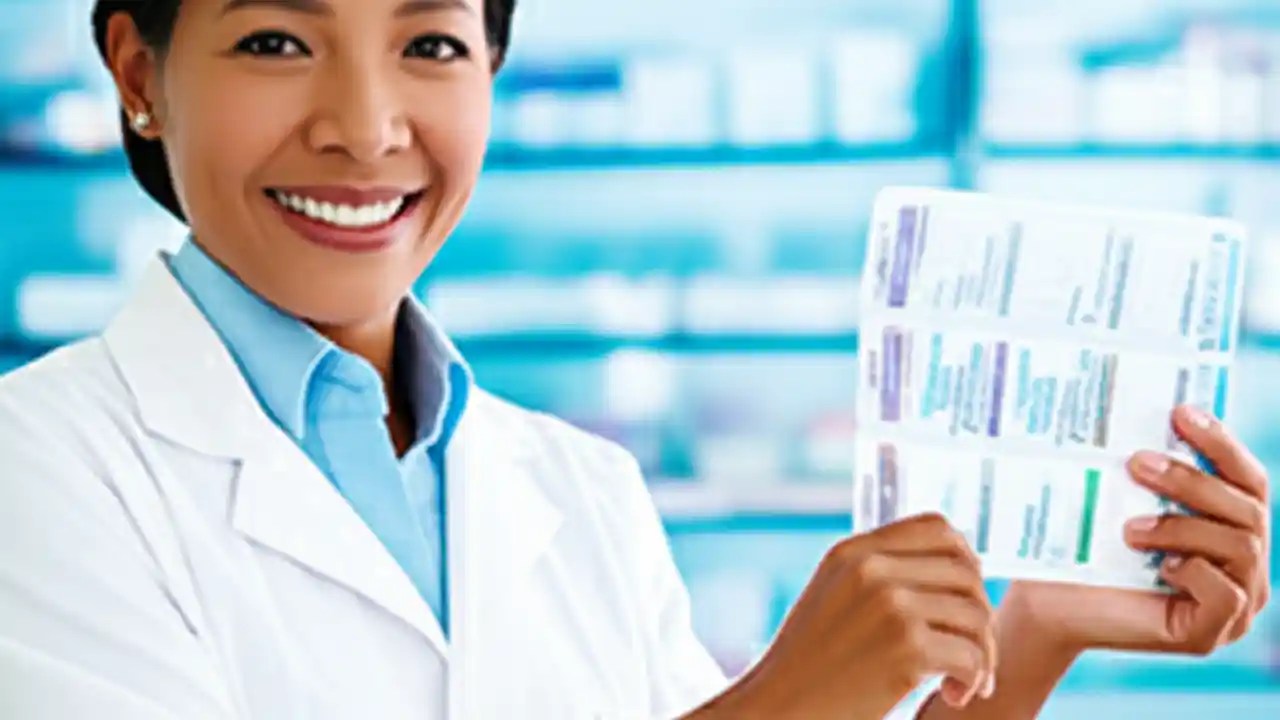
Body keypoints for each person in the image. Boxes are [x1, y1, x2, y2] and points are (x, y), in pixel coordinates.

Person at [0, 0, 1268, 718]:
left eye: (430, 43)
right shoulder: (41, 475)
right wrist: (786, 700)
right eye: (276, 40)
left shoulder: (573, 488)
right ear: (138, 74)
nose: (365, 127)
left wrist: (1031, 629)